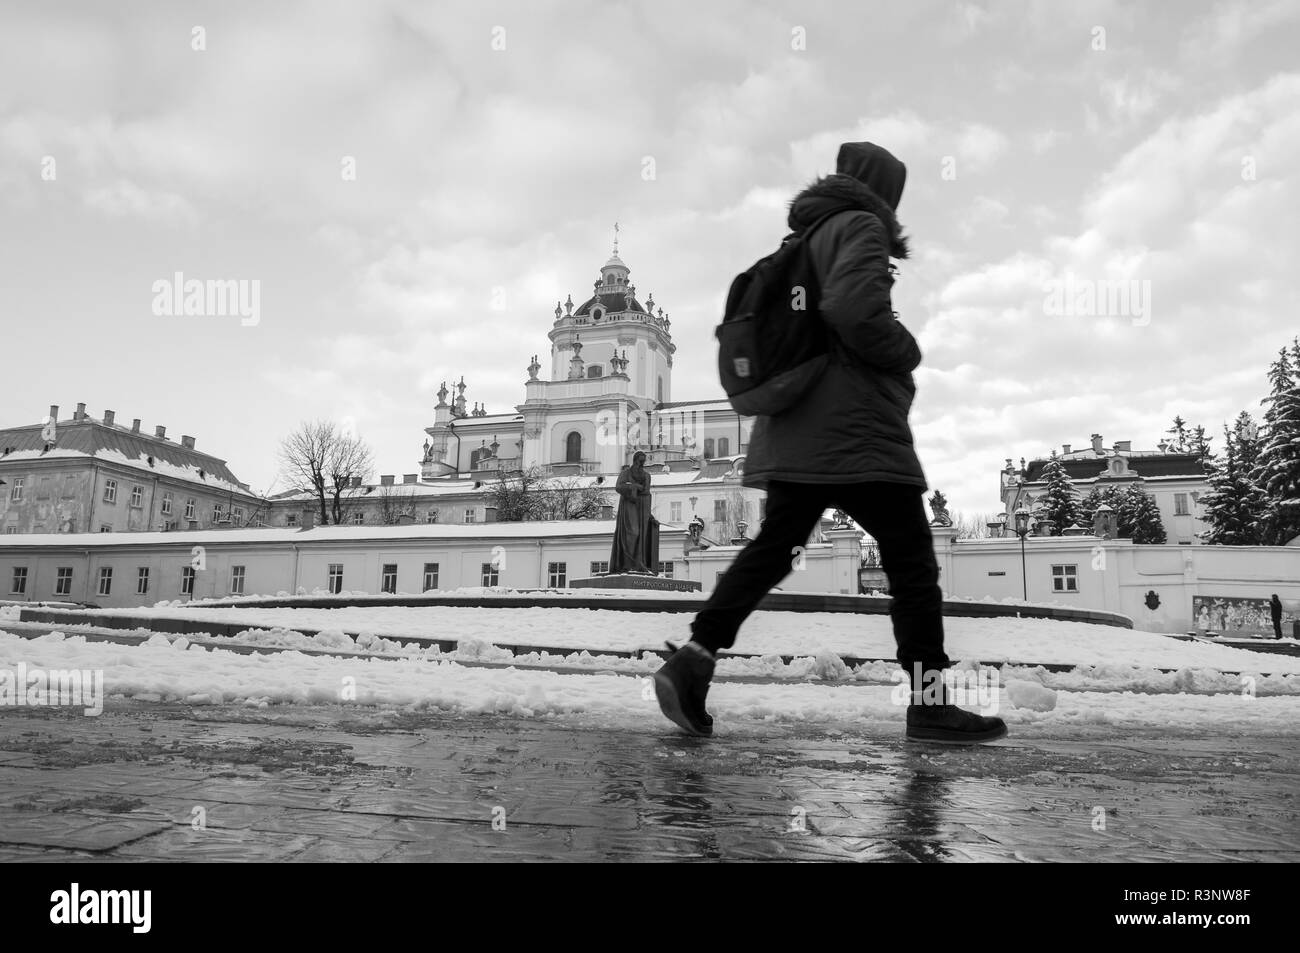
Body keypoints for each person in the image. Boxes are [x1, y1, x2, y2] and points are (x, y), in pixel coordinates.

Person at [654, 141, 1007, 743]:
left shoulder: (802, 239)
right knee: (912, 565)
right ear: (884, 193)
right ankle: (929, 705)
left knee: (772, 549)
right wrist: (906, 352)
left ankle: (695, 657)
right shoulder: (861, 226)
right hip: (856, 429)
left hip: (794, 429)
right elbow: (854, 310)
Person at [610, 451, 655, 573]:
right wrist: (633, 487)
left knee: (642, 535)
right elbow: (618, 487)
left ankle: (638, 563)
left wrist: (649, 513)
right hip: (629, 504)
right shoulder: (626, 473)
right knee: (633, 532)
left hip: (642, 507)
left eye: (643, 461)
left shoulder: (647, 475)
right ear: (634, 460)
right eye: (639, 461)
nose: (641, 464)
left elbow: (647, 492)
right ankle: (627, 563)